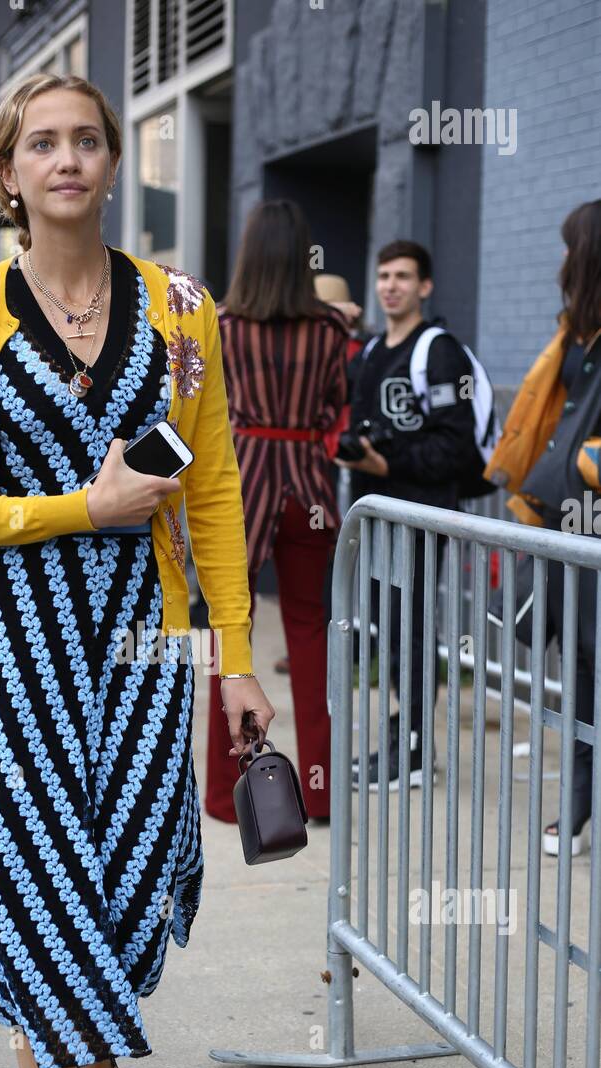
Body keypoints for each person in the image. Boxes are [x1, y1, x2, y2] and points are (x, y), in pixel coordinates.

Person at [0, 72, 275, 1068]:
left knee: (123, 881)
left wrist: (233, 659)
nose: (65, 158)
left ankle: (98, 1037)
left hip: (143, 644)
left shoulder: (180, 310)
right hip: (13, 652)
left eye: (86, 139)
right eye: (40, 143)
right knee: (29, 901)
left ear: (113, 163)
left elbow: (212, 493)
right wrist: (86, 504)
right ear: (6, 173)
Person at [203, 201, 348, 824]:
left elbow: (210, 406)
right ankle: (317, 791)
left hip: (245, 479)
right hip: (309, 484)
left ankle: (222, 795)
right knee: (311, 634)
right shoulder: (331, 330)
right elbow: (336, 409)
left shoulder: (224, 324)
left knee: (228, 629)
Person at [336, 240, 478, 790]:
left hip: (422, 518)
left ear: (425, 286)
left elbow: (455, 447)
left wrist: (386, 458)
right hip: (380, 519)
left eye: (402, 276)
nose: (390, 285)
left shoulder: (438, 351)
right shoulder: (371, 352)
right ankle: (400, 743)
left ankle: (414, 752)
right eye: (383, 276)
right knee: (393, 632)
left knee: (413, 630)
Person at [485, 199, 601, 857]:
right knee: (582, 674)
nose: (559, 260)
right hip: (569, 530)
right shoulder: (574, 337)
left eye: (568, 248)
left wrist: (586, 460)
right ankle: (579, 808)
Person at [273, 273, 366, 676]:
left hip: (330, 470)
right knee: (315, 594)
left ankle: (339, 653)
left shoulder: (345, 348)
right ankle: (325, 655)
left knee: (324, 583)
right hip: (321, 470)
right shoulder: (333, 344)